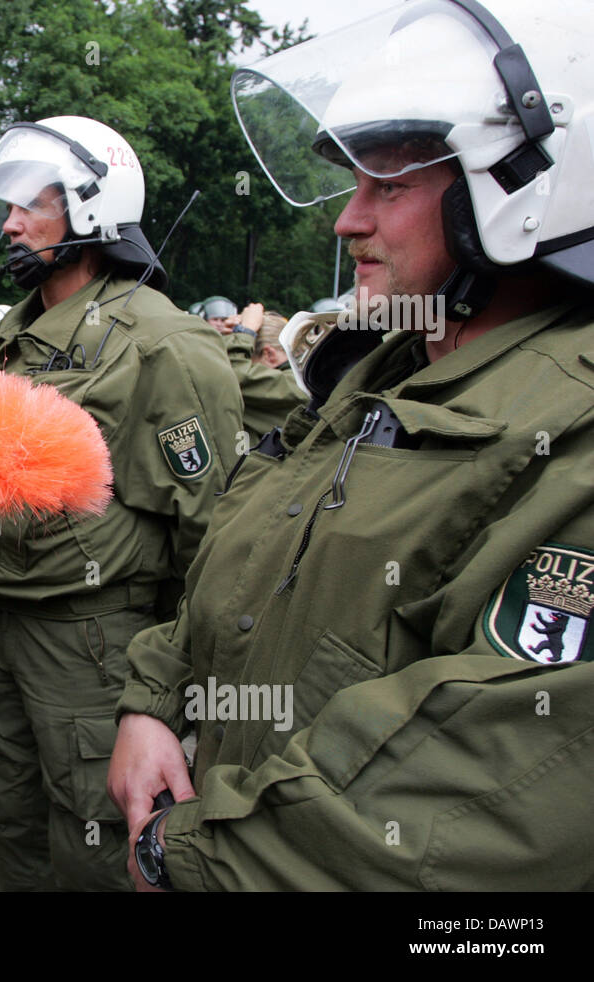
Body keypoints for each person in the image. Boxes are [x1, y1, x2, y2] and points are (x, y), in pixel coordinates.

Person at [110, 0, 594, 891]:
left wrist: (185, 857)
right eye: (354, 185)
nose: (347, 221)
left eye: (391, 186)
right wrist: (155, 701)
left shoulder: (570, 427)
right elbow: (245, 565)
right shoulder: (381, 375)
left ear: (523, 187)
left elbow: (488, 790)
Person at [0, 115, 242, 891]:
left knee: (94, 836)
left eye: (28, 205)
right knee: (11, 817)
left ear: (91, 210)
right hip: (1, 624)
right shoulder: (14, 332)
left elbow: (208, 534)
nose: (9, 224)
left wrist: (170, 680)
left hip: (94, 641)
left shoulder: (159, 344)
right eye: (7, 207)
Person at [220, 301, 307, 441]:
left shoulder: (298, 385)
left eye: (248, 357)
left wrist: (244, 333)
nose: (245, 362)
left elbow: (230, 376)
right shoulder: (303, 377)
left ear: (269, 355)